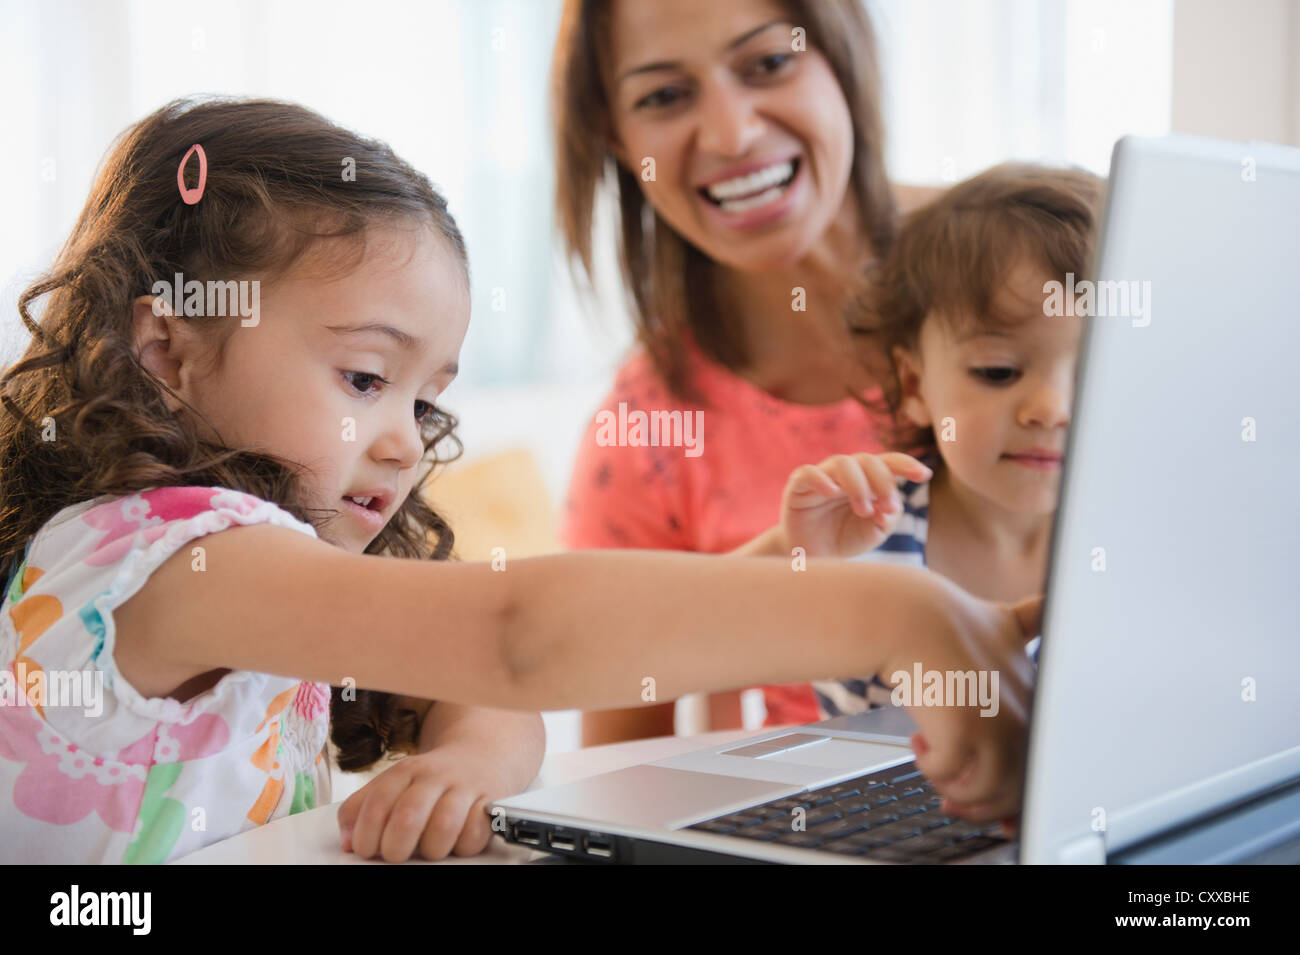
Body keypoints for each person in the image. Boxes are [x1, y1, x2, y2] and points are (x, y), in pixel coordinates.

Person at [0, 97, 1038, 864]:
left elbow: (486, 685)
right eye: (366, 376)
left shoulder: (282, 571)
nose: (406, 443)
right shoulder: (159, 554)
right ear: (166, 351)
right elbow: (516, 633)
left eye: (425, 401)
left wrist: (469, 765)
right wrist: (893, 609)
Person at [553, 0, 943, 743]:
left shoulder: (1041, 270)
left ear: (843, 54)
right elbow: (626, 774)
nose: (732, 134)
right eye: (663, 96)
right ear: (615, 136)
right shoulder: (647, 431)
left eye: (769, 63)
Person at [739, 162, 1104, 721]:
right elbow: (698, 614)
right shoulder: (866, 532)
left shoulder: (1135, 546)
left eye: (1095, 372)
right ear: (914, 385)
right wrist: (798, 553)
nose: (1052, 410)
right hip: (879, 807)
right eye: (999, 371)